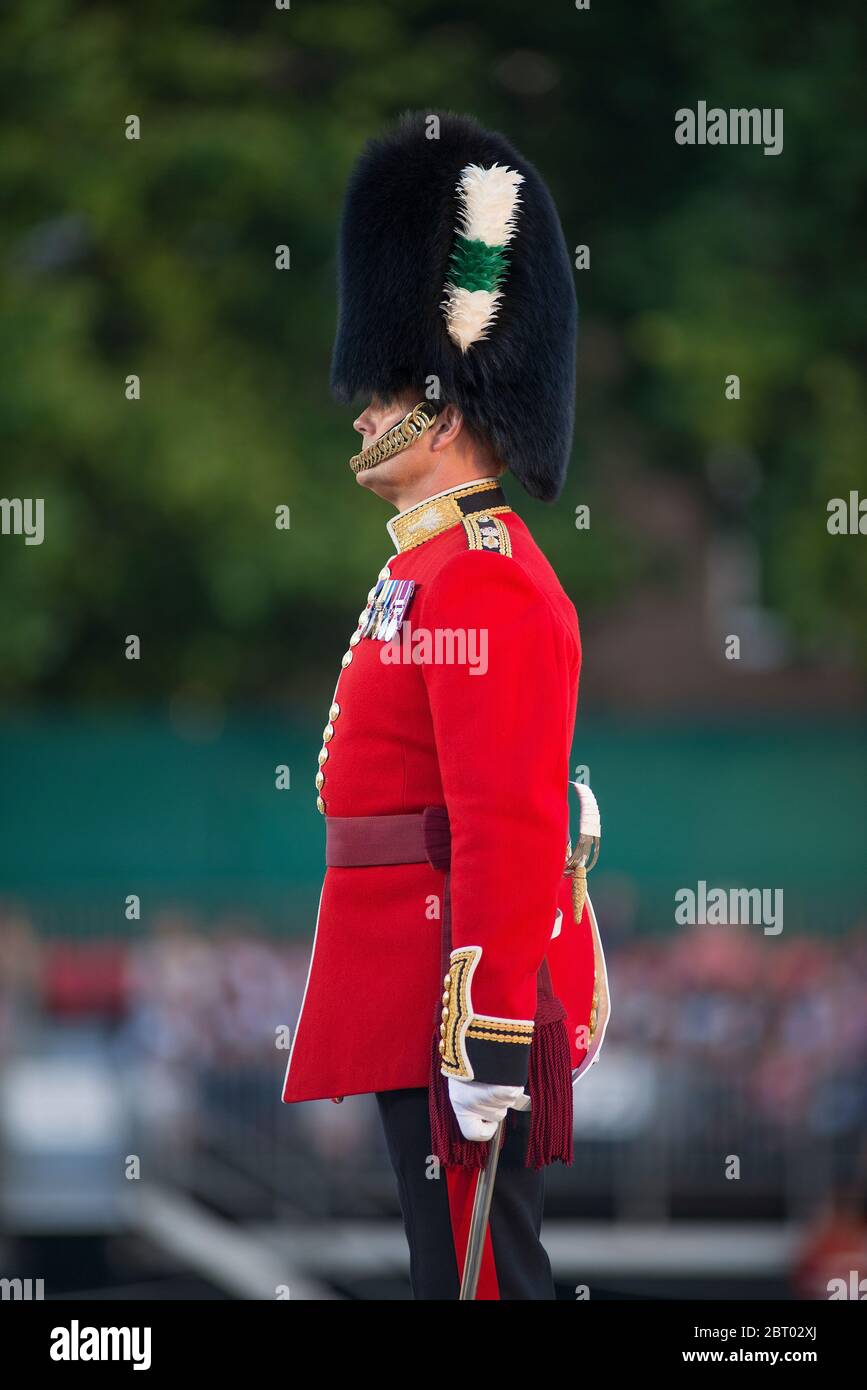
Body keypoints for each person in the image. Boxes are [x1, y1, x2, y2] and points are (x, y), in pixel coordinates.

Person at [282, 110, 601, 1300]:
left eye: (384, 386)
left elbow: (507, 817)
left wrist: (494, 1022)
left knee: (481, 1277)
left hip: (449, 991)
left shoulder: (484, 574)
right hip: (397, 970)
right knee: (445, 1269)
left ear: (445, 396)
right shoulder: (426, 566)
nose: (361, 409)